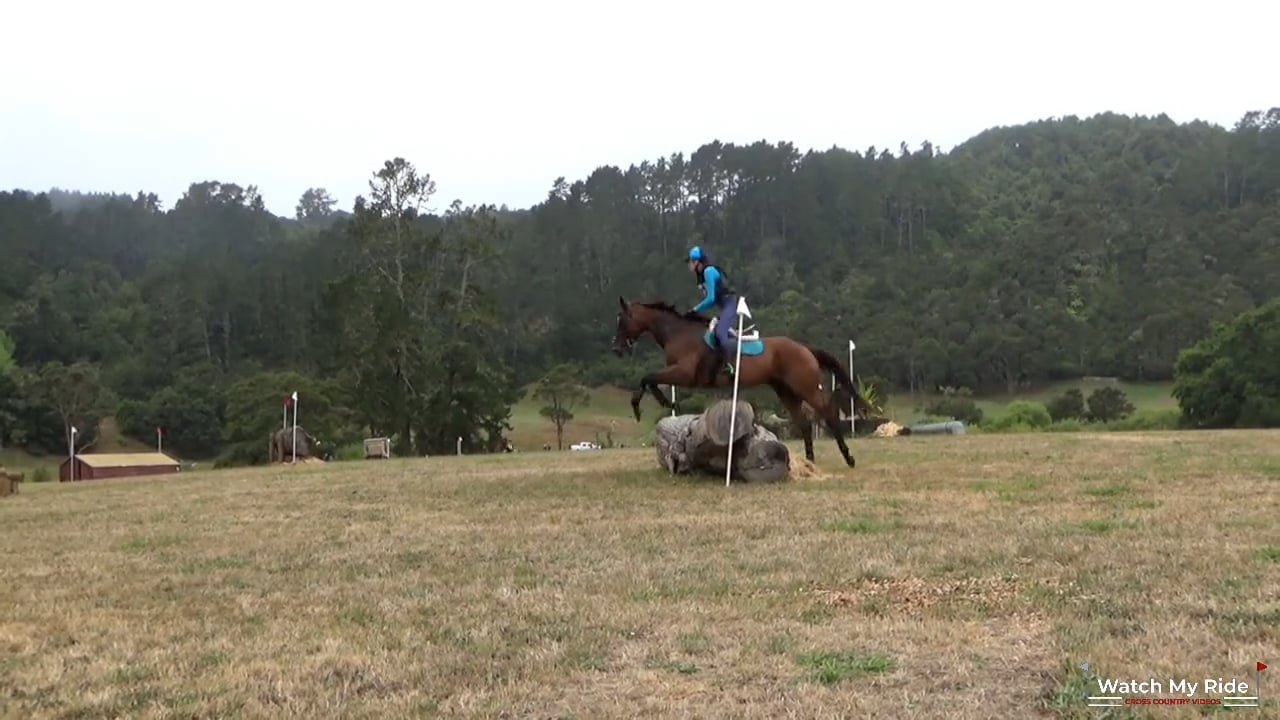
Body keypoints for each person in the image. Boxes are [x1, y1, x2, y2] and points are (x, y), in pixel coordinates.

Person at [686, 245, 739, 383]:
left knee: (720, 333)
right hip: (724, 306)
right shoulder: (702, 275)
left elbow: (711, 299)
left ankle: (731, 365)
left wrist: (695, 310)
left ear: (697, 262)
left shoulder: (708, 271)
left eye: (690, 262)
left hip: (730, 304)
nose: (689, 265)